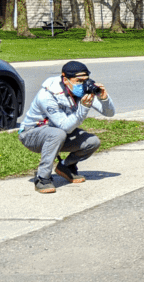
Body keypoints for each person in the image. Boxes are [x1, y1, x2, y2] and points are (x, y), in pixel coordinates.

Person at [18, 60, 115, 193]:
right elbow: (65, 127)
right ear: (65, 79)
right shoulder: (47, 95)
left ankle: (66, 167)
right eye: (79, 80)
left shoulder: (82, 90)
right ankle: (42, 178)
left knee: (93, 142)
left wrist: (104, 99)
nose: (83, 84)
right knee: (58, 133)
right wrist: (84, 108)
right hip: (31, 135)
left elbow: (109, 113)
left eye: (86, 80)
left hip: (59, 133)